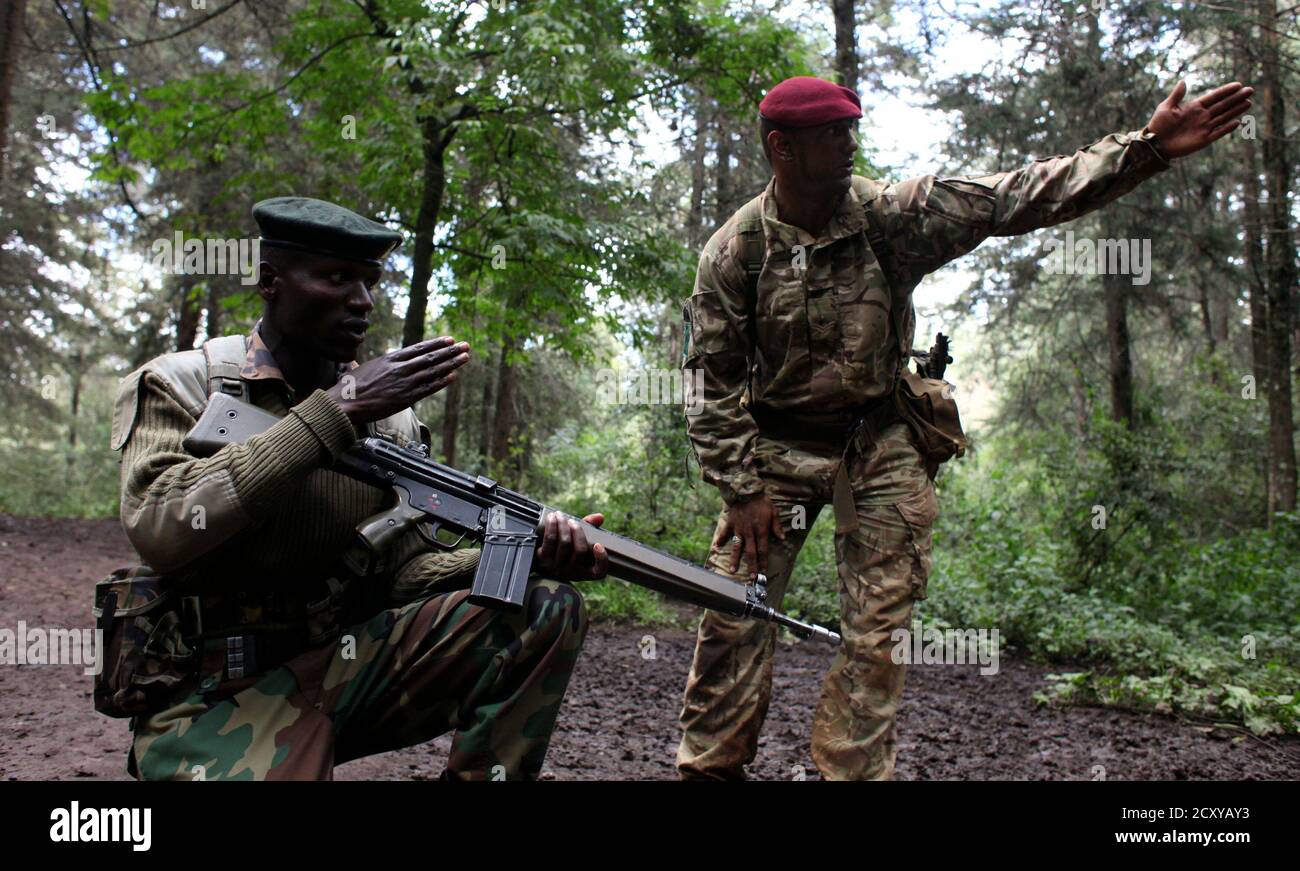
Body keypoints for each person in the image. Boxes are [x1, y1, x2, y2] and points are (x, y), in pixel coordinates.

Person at [677, 75, 1253, 780]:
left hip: (876, 437)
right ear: (782, 149)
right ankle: (709, 770)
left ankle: (852, 774)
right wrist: (740, 489)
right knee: (733, 612)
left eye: (852, 127)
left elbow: (1016, 195)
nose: (850, 142)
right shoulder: (735, 252)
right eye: (833, 133)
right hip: (772, 448)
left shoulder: (892, 215)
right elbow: (709, 383)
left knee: (879, 635)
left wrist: (1147, 149)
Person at [111, 196, 608, 780]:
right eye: (338, 278)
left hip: (344, 669)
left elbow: (401, 572)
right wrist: (336, 413)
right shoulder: (184, 383)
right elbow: (159, 528)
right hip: (213, 692)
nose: (362, 302)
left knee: (545, 606)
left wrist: (524, 556)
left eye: (370, 282)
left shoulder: (391, 420)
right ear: (271, 281)